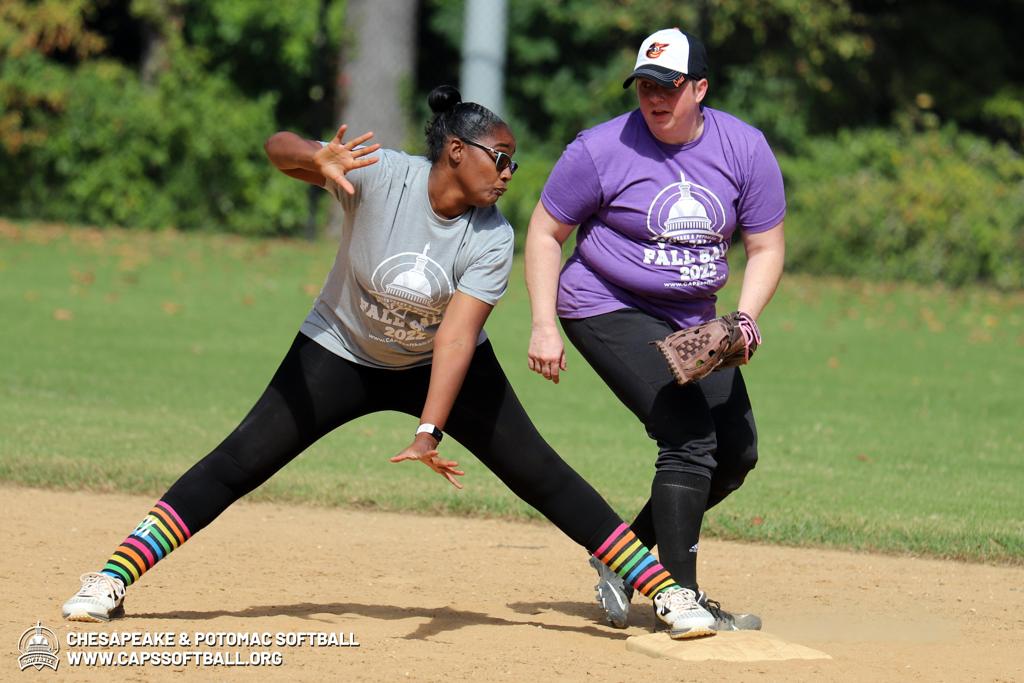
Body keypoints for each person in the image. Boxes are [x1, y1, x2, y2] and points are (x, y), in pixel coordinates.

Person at [61, 85, 720, 640]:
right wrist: (315, 158)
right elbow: (277, 147)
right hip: (339, 348)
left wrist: (429, 427)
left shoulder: (491, 237)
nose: (511, 172)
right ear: (456, 152)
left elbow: (457, 338)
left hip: (439, 365)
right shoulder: (382, 176)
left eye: (513, 163)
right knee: (236, 460)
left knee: (543, 473)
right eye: (502, 158)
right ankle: (113, 576)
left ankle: (663, 590)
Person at [525, 28, 786, 632]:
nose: (654, 97)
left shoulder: (744, 149)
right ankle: (681, 596)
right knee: (689, 436)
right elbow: (544, 233)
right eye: (644, 85)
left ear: (699, 87)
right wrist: (543, 324)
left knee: (735, 454)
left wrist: (743, 316)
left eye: (668, 86)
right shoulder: (600, 149)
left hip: (695, 319)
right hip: (603, 303)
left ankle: (623, 557)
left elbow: (766, 245)